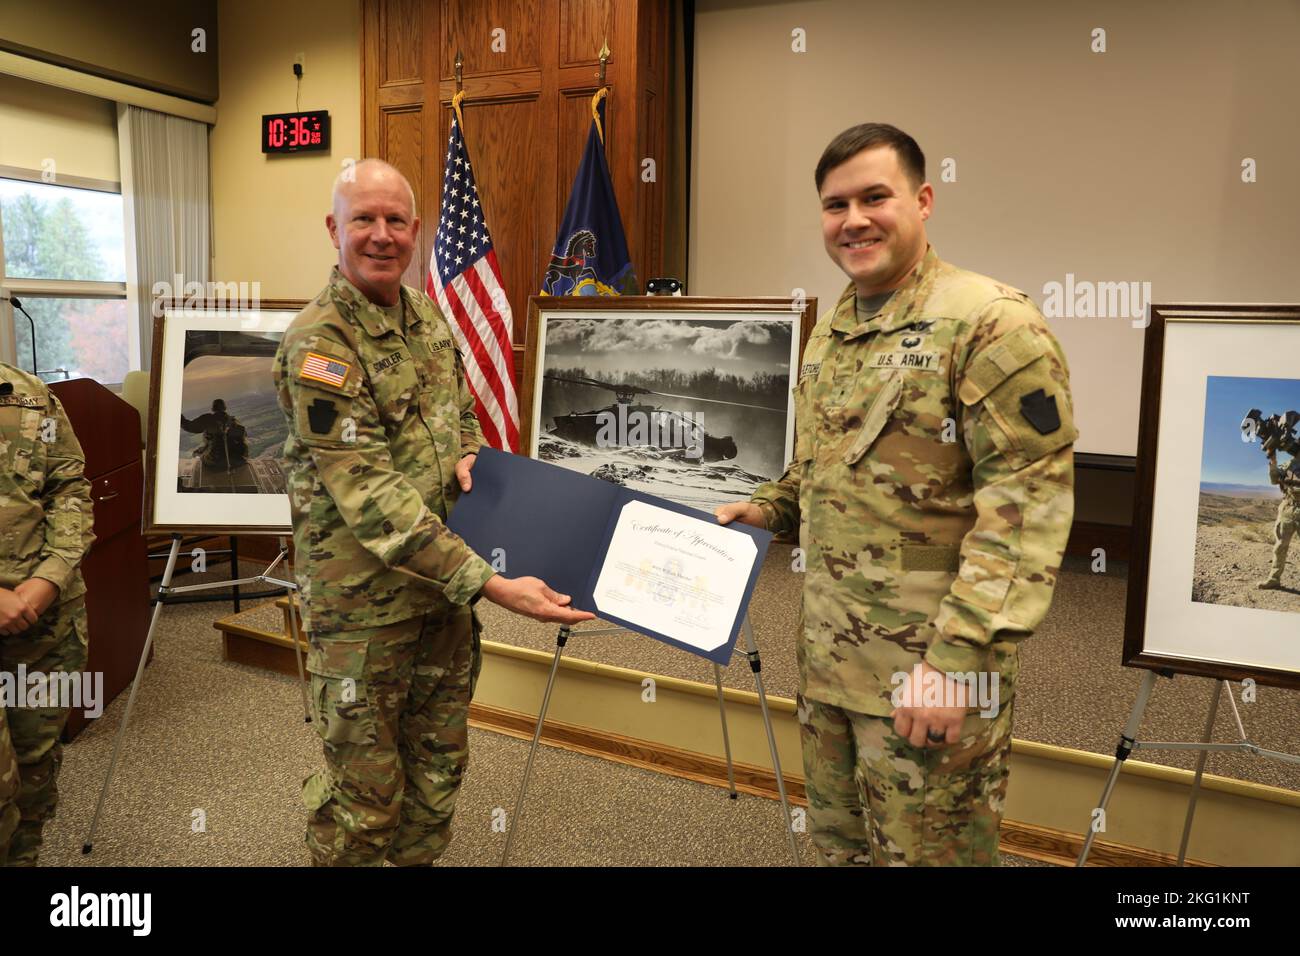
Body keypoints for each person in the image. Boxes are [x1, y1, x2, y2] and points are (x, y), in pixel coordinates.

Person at [717, 123, 1077, 866]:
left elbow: (1025, 512)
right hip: (832, 663)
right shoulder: (836, 326)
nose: (853, 220)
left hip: (935, 672)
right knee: (842, 850)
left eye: (874, 197)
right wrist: (768, 507)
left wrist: (954, 665)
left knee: (930, 856)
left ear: (922, 199)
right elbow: (823, 467)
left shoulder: (990, 323)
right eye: (834, 204)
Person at [273, 159, 592, 867]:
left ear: (416, 231)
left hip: (439, 609)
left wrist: (472, 455)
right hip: (364, 617)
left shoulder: (427, 319)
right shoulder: (320, 345)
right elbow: (371, 496)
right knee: (364, 805)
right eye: (364, 219)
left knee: (435, 785)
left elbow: (463, 414)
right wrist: (492, 583)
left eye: (395, 220)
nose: (381, 235)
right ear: (334, 229)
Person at [0, 362, 95, 866]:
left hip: (45, 623)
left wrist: (48, 580)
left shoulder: (30, 394)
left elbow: (69, 489)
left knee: (35, 764)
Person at [1257, 448, 1299, 589]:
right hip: (1288, 509)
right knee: (1280, 547)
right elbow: (1275, 479)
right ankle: (1274, 579)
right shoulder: (1289, 464)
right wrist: (1273, 461)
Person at [181, 398, 249, 470]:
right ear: (225, 408)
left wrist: (179, 416)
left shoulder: (208, 419)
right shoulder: (234, 421)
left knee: (197, 454)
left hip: (216, 462)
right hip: (238, 460)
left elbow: (189, 427)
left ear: (213, 409)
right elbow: (242, 440)